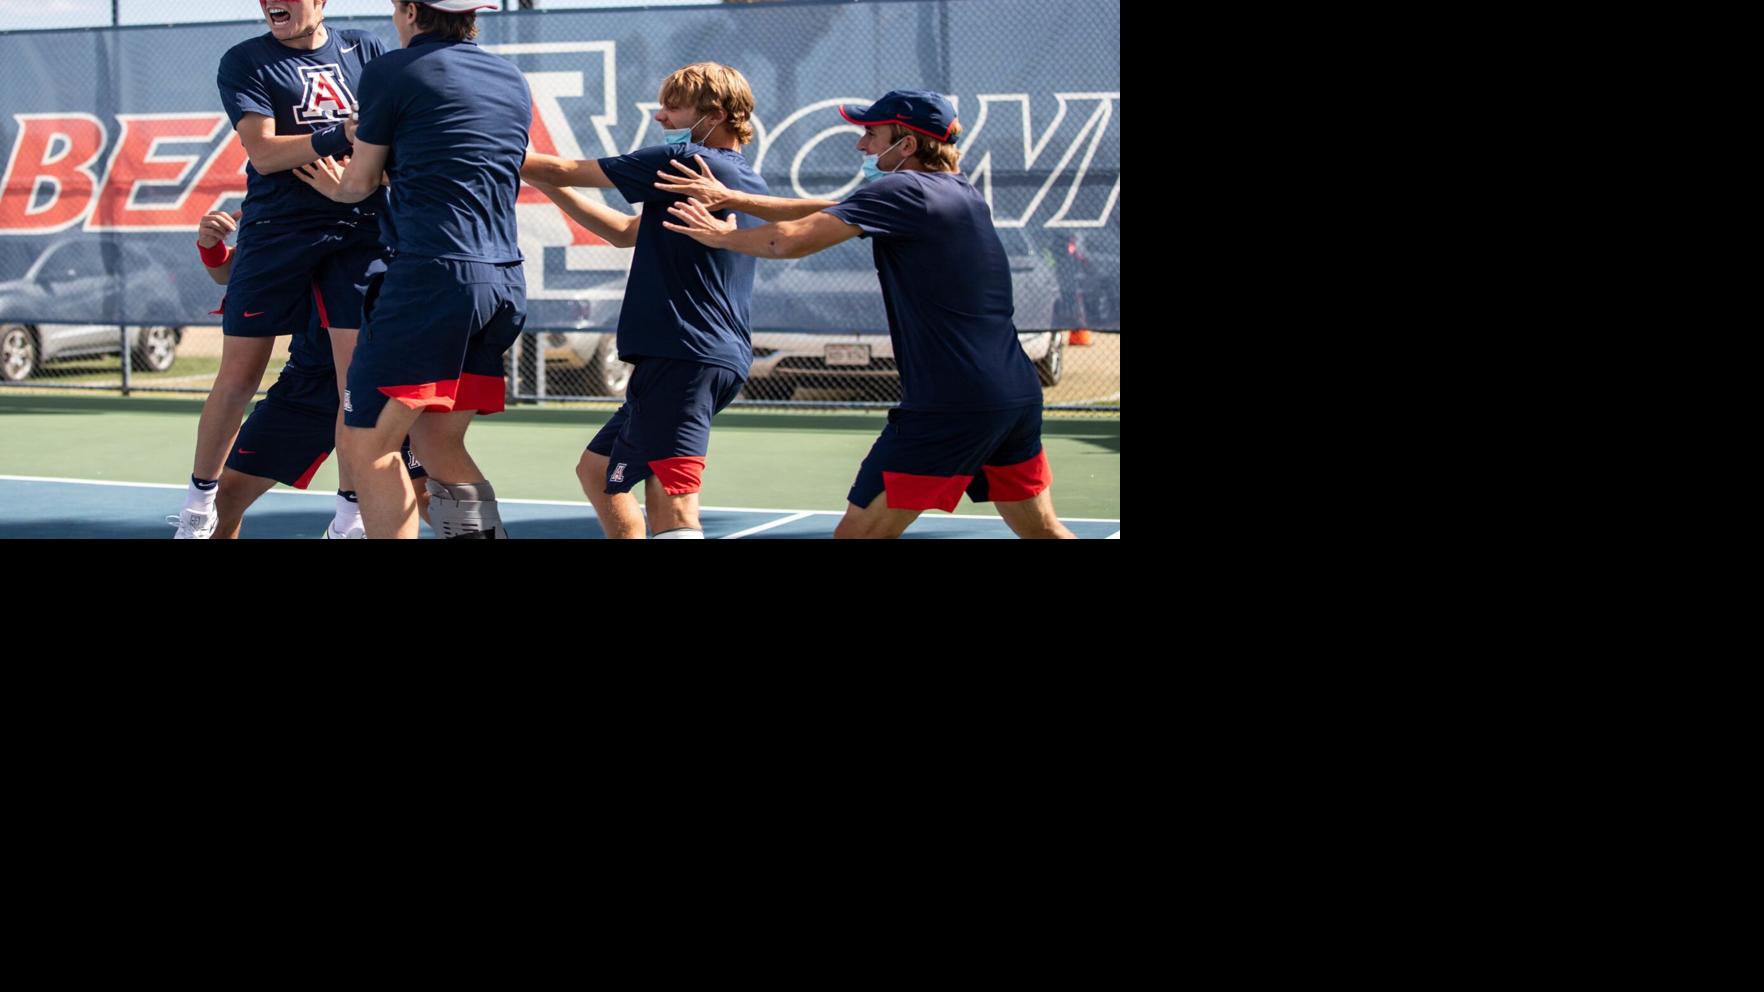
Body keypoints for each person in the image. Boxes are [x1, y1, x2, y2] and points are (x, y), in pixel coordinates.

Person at [657, 89, 1074, 539]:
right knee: (1044, 532)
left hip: (954, 402)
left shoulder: (903, 189)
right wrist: (733, 198)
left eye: (872, 135)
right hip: (1013, 394)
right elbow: (826, 209)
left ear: (908, 145)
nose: (863, 146)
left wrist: (720, 236)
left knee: (858, 535)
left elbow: (788, 240)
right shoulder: (959, 193)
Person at [304, 0, 528, 539]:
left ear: (408, 11)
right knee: (438, 443)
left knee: (367, 446)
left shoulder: (391, 70)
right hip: (502, 282)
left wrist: (342, 183)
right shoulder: (511, 77)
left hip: (430, 281)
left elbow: (358, 182)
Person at [520, 62, 768, 539]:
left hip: (685, 359)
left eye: (673, 108)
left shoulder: (691, 163)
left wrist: (477, 136)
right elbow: (623, 232)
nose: (660, 117)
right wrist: (549, 184)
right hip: (687, 360)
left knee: (674, 508)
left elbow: (566, 167)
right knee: (598, 472)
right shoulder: (728, 176)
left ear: (713, 115)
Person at [172, 0, 392, 539]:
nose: (273, 2)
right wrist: (344, 134)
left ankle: (349, 517)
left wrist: (360, 172)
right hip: (280, 231)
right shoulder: (246, 60)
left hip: (359, 230)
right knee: (240, 374)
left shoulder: (365, 47)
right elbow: (266, 154)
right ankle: (197, 507)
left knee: (355, 387)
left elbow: (388, 141)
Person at [174, 207, 431, 539]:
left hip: (377, 382)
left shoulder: (390, 194)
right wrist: (212, 246)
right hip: (307, 384)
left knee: (426, 496)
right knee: (226, 497)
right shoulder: (291, 202)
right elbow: (233, 269)